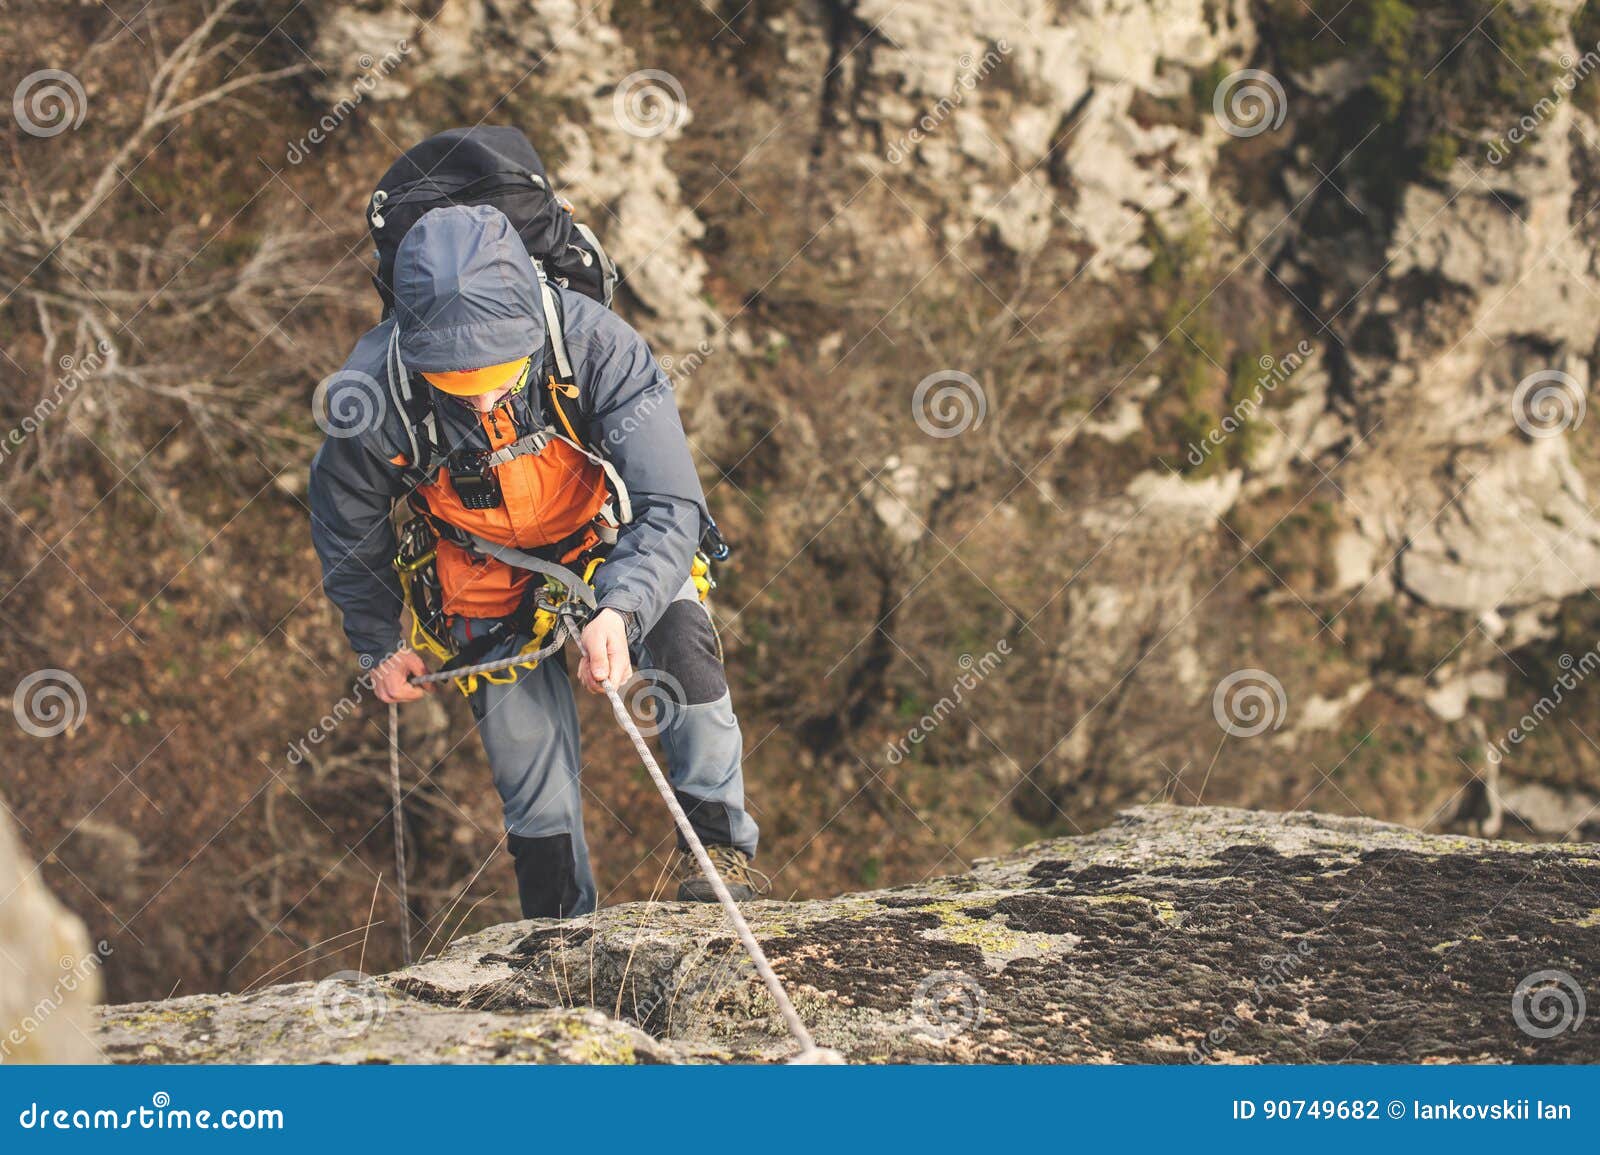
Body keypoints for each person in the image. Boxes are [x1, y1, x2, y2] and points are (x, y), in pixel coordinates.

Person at [308, 202, 760, 919]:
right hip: (479, 579)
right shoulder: (375, 394)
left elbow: (672, 504)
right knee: (529, 773)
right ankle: (560, 940)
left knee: (680, 638)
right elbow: (346, 521)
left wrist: (620, 606)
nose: (483, 393)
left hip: (606, 540)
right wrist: (378, 642)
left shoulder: (597, 346)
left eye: (496, 371)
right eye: (457, 381)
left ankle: (721, 858)